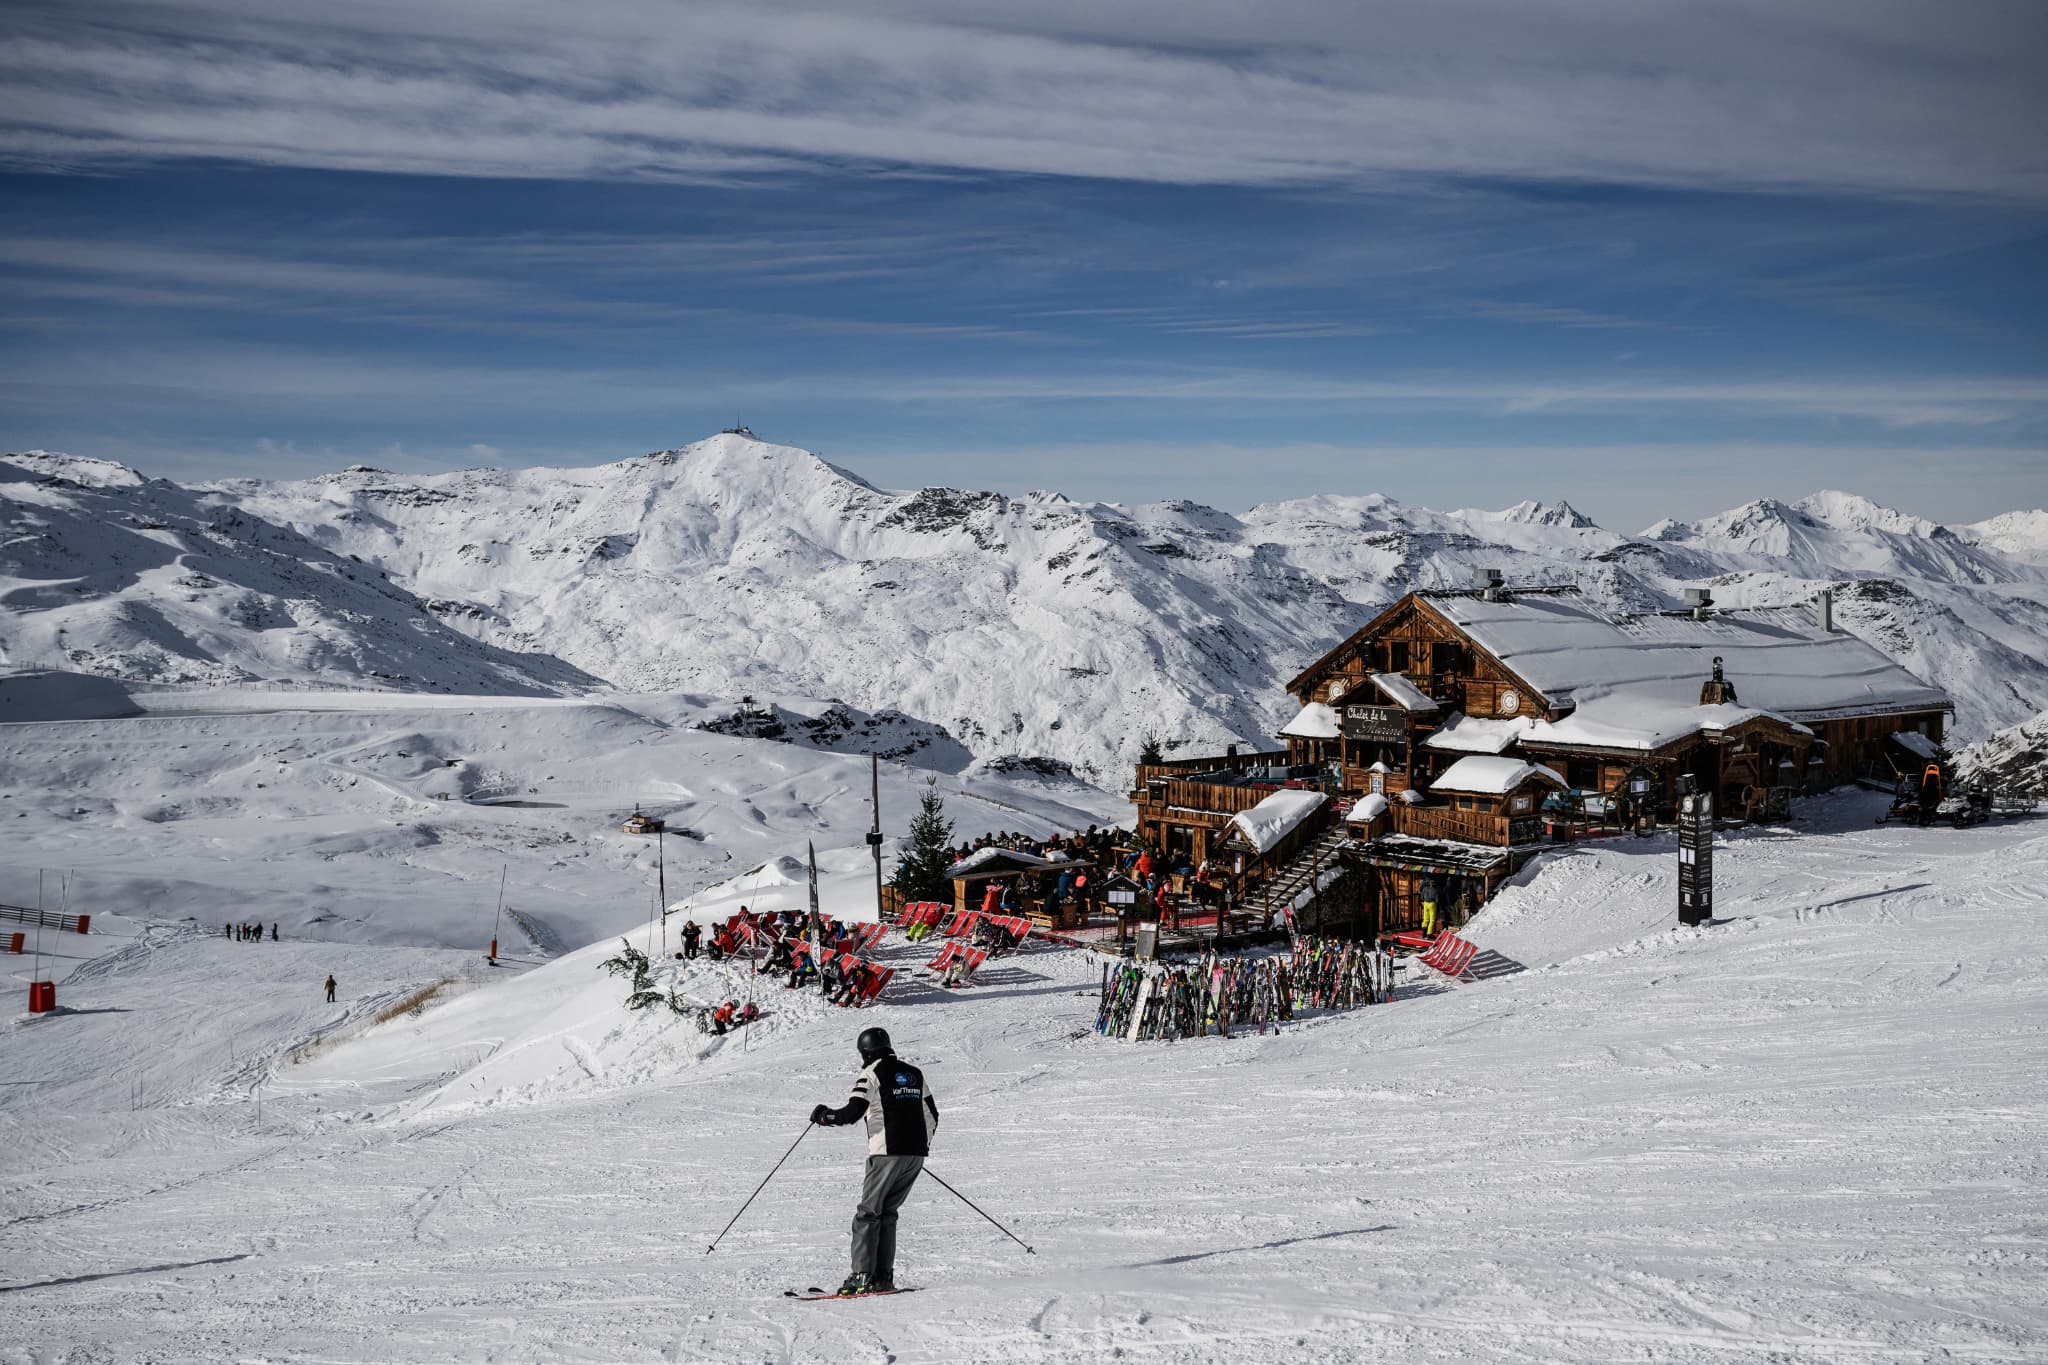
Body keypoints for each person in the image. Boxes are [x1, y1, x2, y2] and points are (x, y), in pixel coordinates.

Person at [809, 1027, 938, 1296]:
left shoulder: (872, 1073)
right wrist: (918, 1146)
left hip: (886, 1153)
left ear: (865, 1052)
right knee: (888, 1213)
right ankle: (882, 1278)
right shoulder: (914, 1073)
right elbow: (932, 1114)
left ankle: (861, 1276)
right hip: (915, 1155)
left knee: (868, 1214)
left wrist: (825, 1116)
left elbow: (852, 1112)